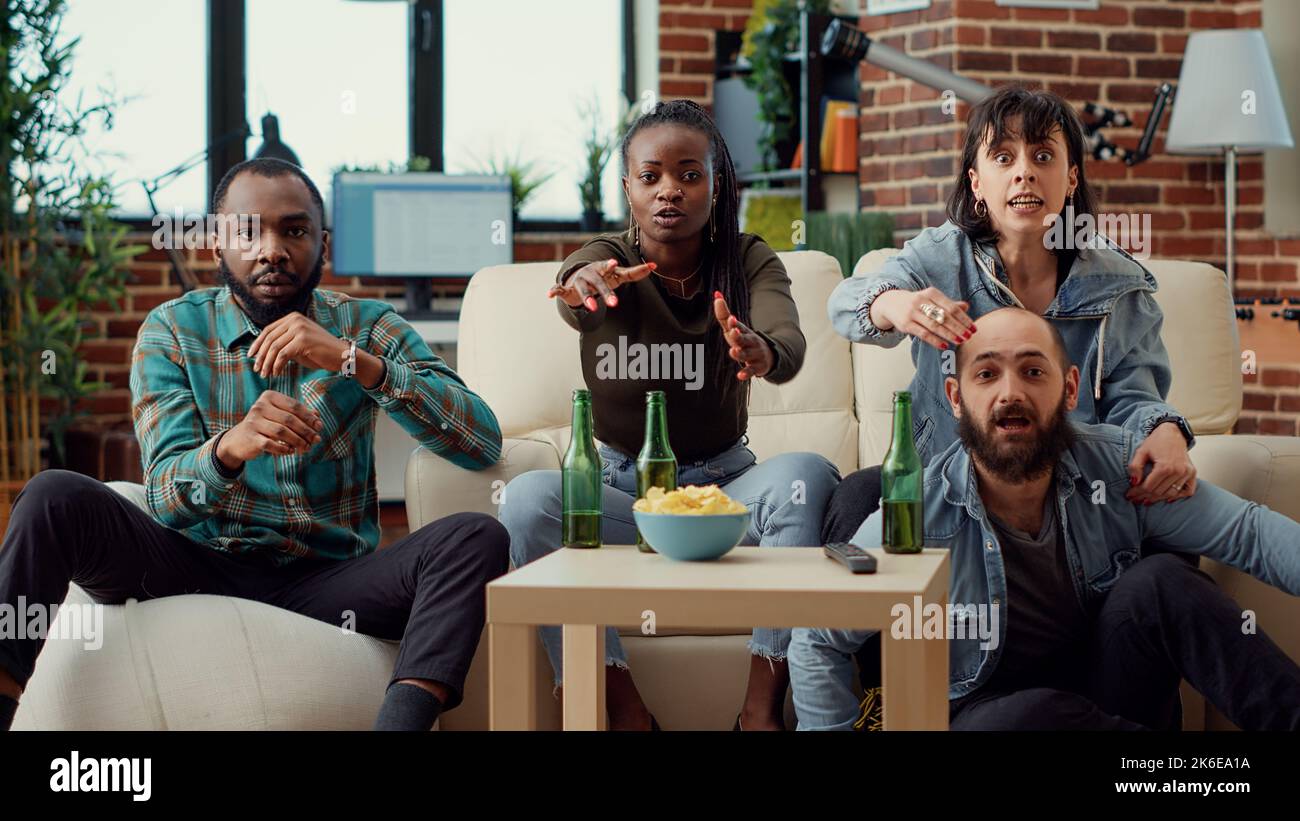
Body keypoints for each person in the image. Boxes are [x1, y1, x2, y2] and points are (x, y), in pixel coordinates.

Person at [0, 158, 507, 732]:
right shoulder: (172, 330)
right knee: (51, 496)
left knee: (476, 536)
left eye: (294, 230)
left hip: (327, 579)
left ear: (323, 243)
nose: (272, 250)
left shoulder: (366, 325)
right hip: (193, 561)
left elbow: (482, 440)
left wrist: (356, 364)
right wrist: (231, 448)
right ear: (217, 242)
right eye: (247, 231)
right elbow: (165, 495)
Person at [789, 308, 1300, 731]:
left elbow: (1251, 534)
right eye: (986, 374)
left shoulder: (1120, 468)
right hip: (984, 715)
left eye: (1033, 371)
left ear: (1071, 388)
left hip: (1107, 694)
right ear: (956, 401)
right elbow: (815, 636)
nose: (1010, 393)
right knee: (1027, 718)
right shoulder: (918, 511)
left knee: (1163, 582)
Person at [498, 100, 840, 731]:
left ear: (716, 185)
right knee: (524, 501)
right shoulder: (606, 257)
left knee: (809, 477)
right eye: (650, 175)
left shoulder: (747, 258)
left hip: (726, 494)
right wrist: (586, 287)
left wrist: (761, 350)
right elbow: (580, 292)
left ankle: (759, 713)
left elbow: (787, 343)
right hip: (623, 495)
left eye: (689, 174)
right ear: (627, 188)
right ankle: (626, 712)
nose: (669, 191)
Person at [823, 85, 1195, 546]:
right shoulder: (941, 256)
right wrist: (895, 305)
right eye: (1003, 157)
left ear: (1071, 178)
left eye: (1043, 157)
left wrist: (1164, 430)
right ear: (976, 182)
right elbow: (844, 303)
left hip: (1070, 488)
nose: (1024, 173)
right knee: (857, 494)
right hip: (946, 478)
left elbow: (1135, 400)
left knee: (1170, 518)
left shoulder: (1119, 286)